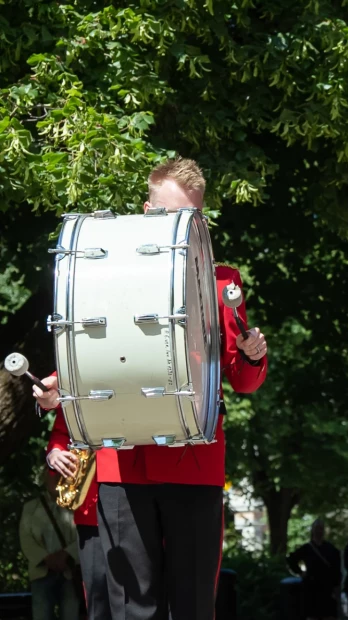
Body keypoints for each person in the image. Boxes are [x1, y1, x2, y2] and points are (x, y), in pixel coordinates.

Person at [34, 157, 269, 620]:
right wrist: (58, 387)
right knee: (131, 606)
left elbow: (242, 380)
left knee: (193, 604)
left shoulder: (223, 282)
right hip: (124, 462)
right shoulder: (109, 270)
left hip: (195, 462)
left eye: (192, 217)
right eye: (171, 215)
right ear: (146, 210)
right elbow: (93, 345)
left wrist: (255, 355)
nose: (183, 227)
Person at [45, 407, 108, 620]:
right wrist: (54, 452)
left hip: (138, 502)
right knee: (98, 603)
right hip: (91, 512)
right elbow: (61, 433)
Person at [20, 466, 80, 620]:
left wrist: (67, 555)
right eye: (53, 474)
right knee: (42, 615)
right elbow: (26, 540)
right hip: (41, 572)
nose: (57, 478)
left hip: (69, 572)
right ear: (45, 477)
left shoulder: (77, 505)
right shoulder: (31, 507)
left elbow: (83, 536)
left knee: (71, 614)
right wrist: (46, 558)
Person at [287, 519, 343, 620]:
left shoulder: (331, 549)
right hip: (311, 588)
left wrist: (336, 587)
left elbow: (337, 570)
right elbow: (291, 560)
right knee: (312, 616)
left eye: (321, 528)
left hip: (327, 588)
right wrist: (300, 573)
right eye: (317, 528)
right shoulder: (307, 548)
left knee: (329, 615)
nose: (319, 531)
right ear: (313, 530)